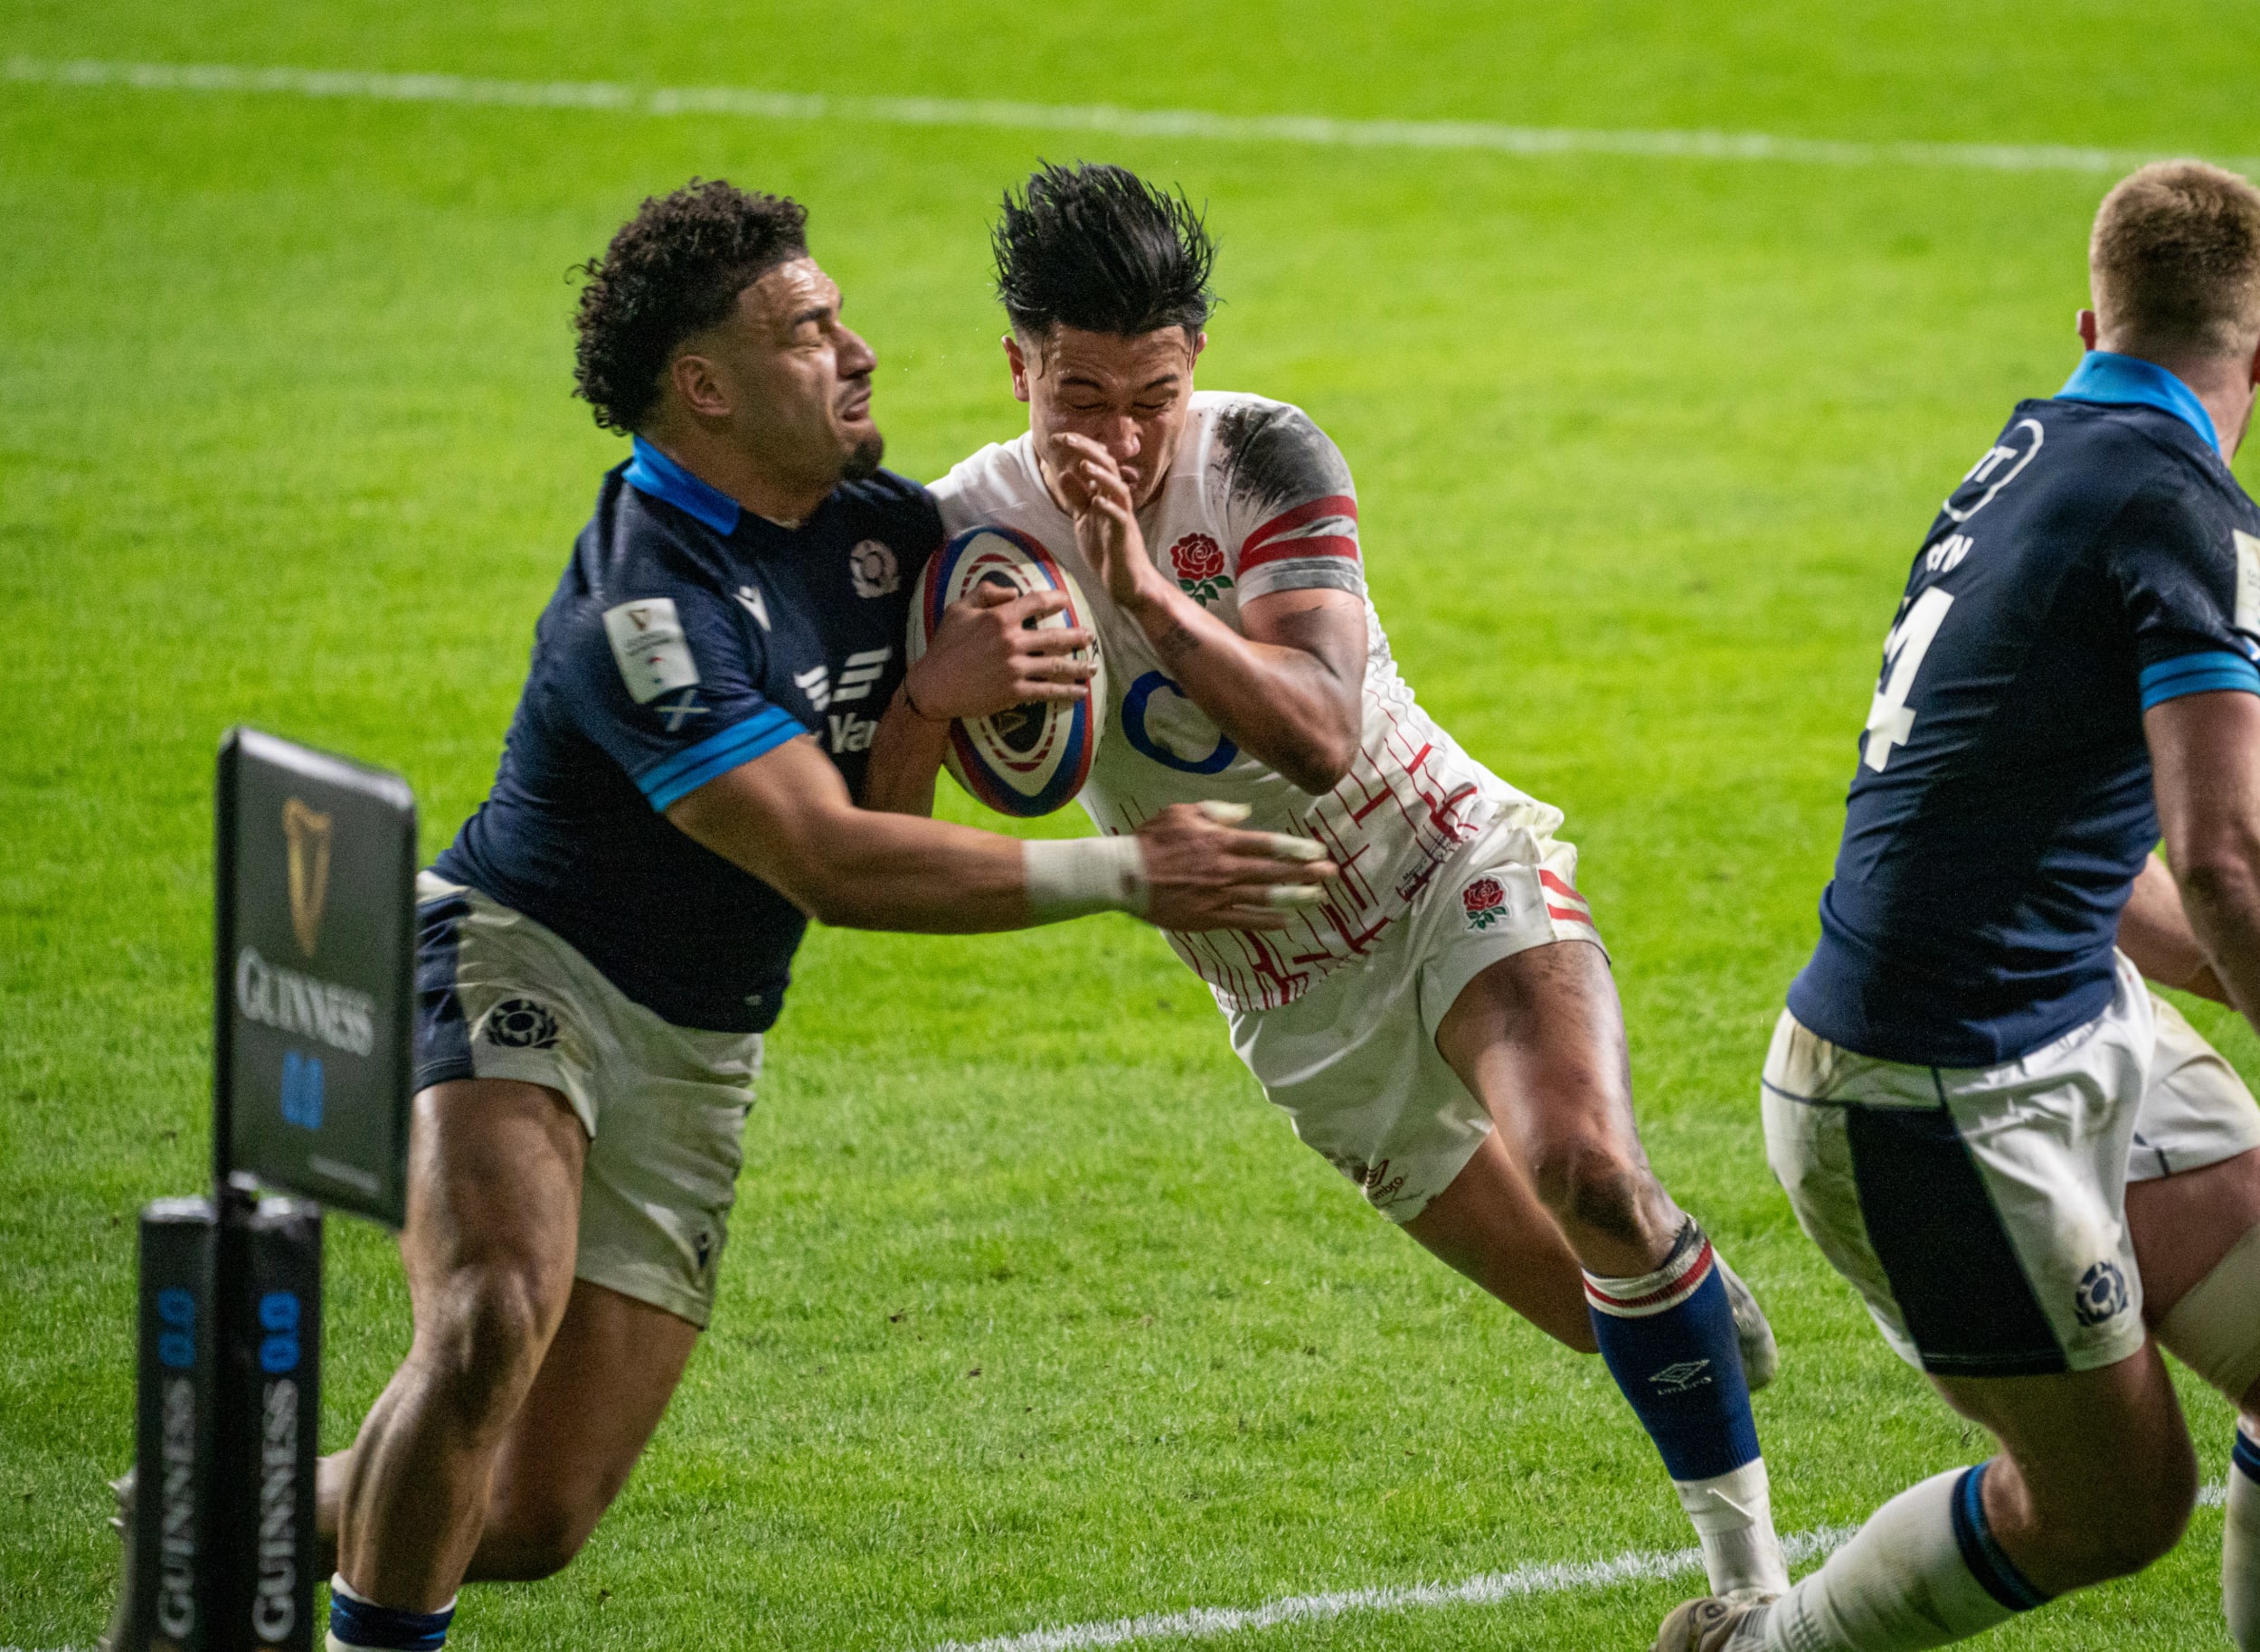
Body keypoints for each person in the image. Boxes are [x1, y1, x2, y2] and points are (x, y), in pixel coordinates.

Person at [101, 179, 1332, 1652]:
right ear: (706, 390)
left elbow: (887, 840)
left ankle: (203, 1506)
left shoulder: (882, 536)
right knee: (492, 1318)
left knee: (537, 1516)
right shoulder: (647, 609)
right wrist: (1126, 872)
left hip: (701, 1041)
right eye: (811, 332)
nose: (862, 350)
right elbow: (823, 863)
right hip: (524, 955)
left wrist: (934, 699)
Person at [880, 161, 1792, 1605]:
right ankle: (1665, 1285)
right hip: (1291, 989)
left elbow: (1312, 729)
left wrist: (1136, 583)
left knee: (1587, 1175)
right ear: (1017, 367)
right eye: (1082, 397)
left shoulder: (1263, 457)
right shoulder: (953, 540)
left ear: (1197, 368)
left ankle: (1754, 1597)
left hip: (1436, 861)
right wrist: (929, 697)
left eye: (1152, 396)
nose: (1120, 434)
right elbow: (871, 843)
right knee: (1609, 1321)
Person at [1657, 161, 2260, 1652]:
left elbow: (2045, 841)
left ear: (2093, 317)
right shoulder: (2199, 520)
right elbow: (2233, 862)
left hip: (2066, 1007)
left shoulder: (2029, 461)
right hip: (1928, 1095)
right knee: (2114, 1506)